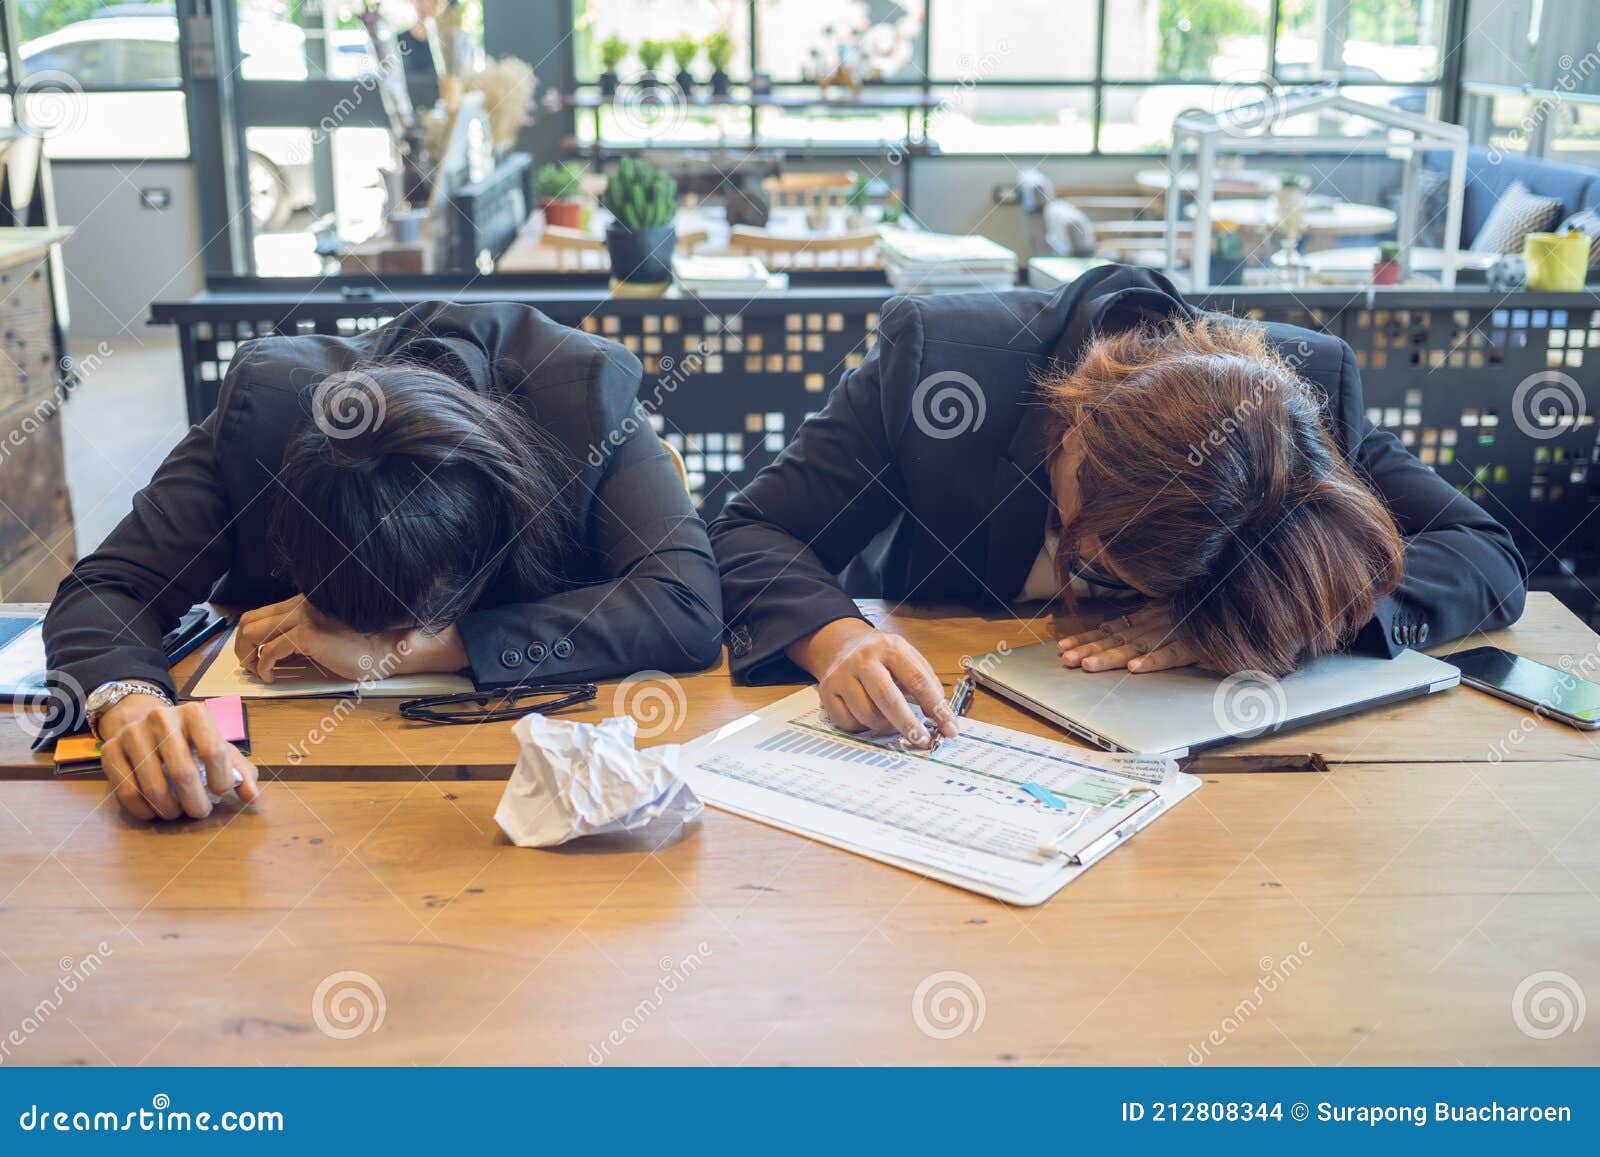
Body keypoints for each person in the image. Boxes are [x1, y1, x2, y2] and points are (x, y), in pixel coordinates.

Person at [710, 264, 1527, 747]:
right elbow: (751, 530)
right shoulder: (937, 366)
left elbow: (1484, 552)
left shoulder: (1304, 393)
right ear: (1074, 433)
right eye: (1091, 547)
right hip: (964, 727)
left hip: (1208, 743)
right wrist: (837, 638)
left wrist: (1251, 617)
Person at [43, 302, 722, 820]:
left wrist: (420, 649)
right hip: (296, 795)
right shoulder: (263, 415)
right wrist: (128, 705)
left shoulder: (583, 401)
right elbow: (110, 585)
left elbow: (684, 603)